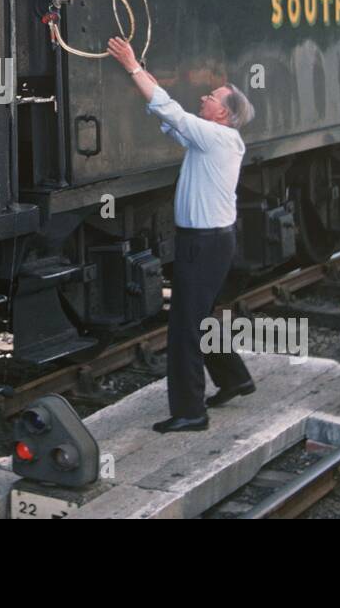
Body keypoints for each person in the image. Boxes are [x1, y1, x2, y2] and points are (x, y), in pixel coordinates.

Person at [105, 37, 257, 433]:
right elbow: (168, 110)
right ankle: (235, 378)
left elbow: (169, 107)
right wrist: (138, 69)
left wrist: (132, 66)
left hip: (205, 243)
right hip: (208, 241)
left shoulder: (217, 138)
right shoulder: (211, 137)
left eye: (211, 96)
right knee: (200, 318)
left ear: (223, 114)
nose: (204, 97)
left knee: (185, 327)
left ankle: (191, 412)